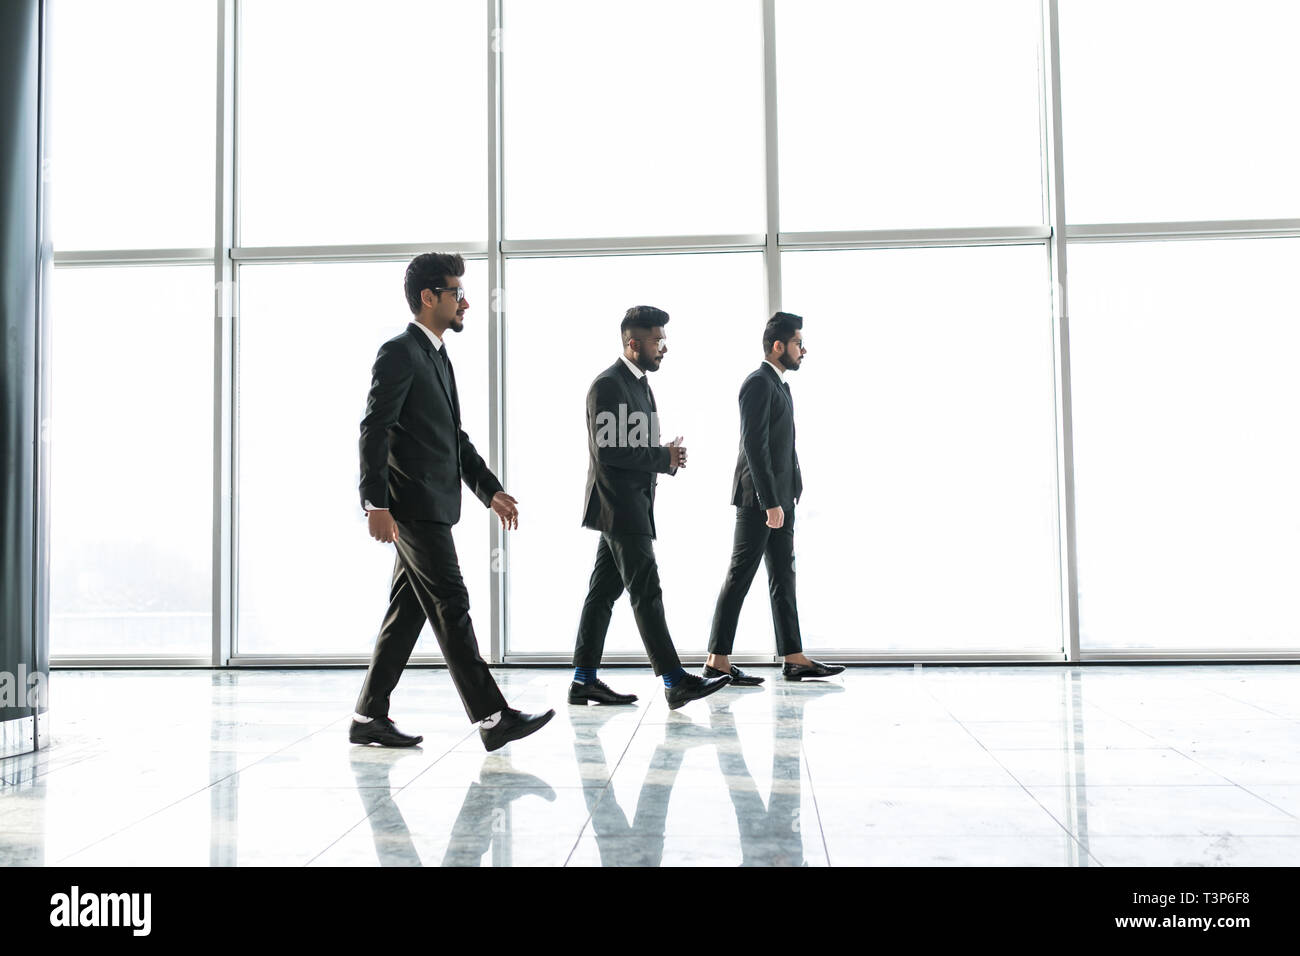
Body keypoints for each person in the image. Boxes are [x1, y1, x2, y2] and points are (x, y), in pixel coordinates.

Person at [351, 252, 553, 751]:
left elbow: (454, 438)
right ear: (428, 297)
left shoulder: (437, 356)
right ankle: (492, 716)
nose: (466, 301)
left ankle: (367, 717)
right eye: (456, 292)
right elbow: (374, 427)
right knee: (451, 603)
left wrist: (490, 491)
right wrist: (374, 502)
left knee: (407, 613)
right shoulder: (398, 352)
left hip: (435, 504)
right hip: (412, 507)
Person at [568, 306, 731, 709]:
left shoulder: (638, 384)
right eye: (657, 341)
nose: (663, 348)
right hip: (619, 507)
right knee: (646, 589)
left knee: (602, 594)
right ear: (632, 343)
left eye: (662, 340)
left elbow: (631, 444)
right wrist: (664, 457)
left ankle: (582, 680)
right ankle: (675, 680)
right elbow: (609, 453)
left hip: (631, 505)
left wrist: (664, 456)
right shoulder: (607, 385)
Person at [702, 312, 844, 685]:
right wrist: (769, 503)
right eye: (798, 343)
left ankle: (794, 657)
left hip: (782, 498)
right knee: (740, 575)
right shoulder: (758, 383)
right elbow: (754, 445)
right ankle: (716, 660)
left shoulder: (780, 384)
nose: (803, 349)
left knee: (784, 575)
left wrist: (788, 494)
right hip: (759, 502)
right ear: (778, 346)